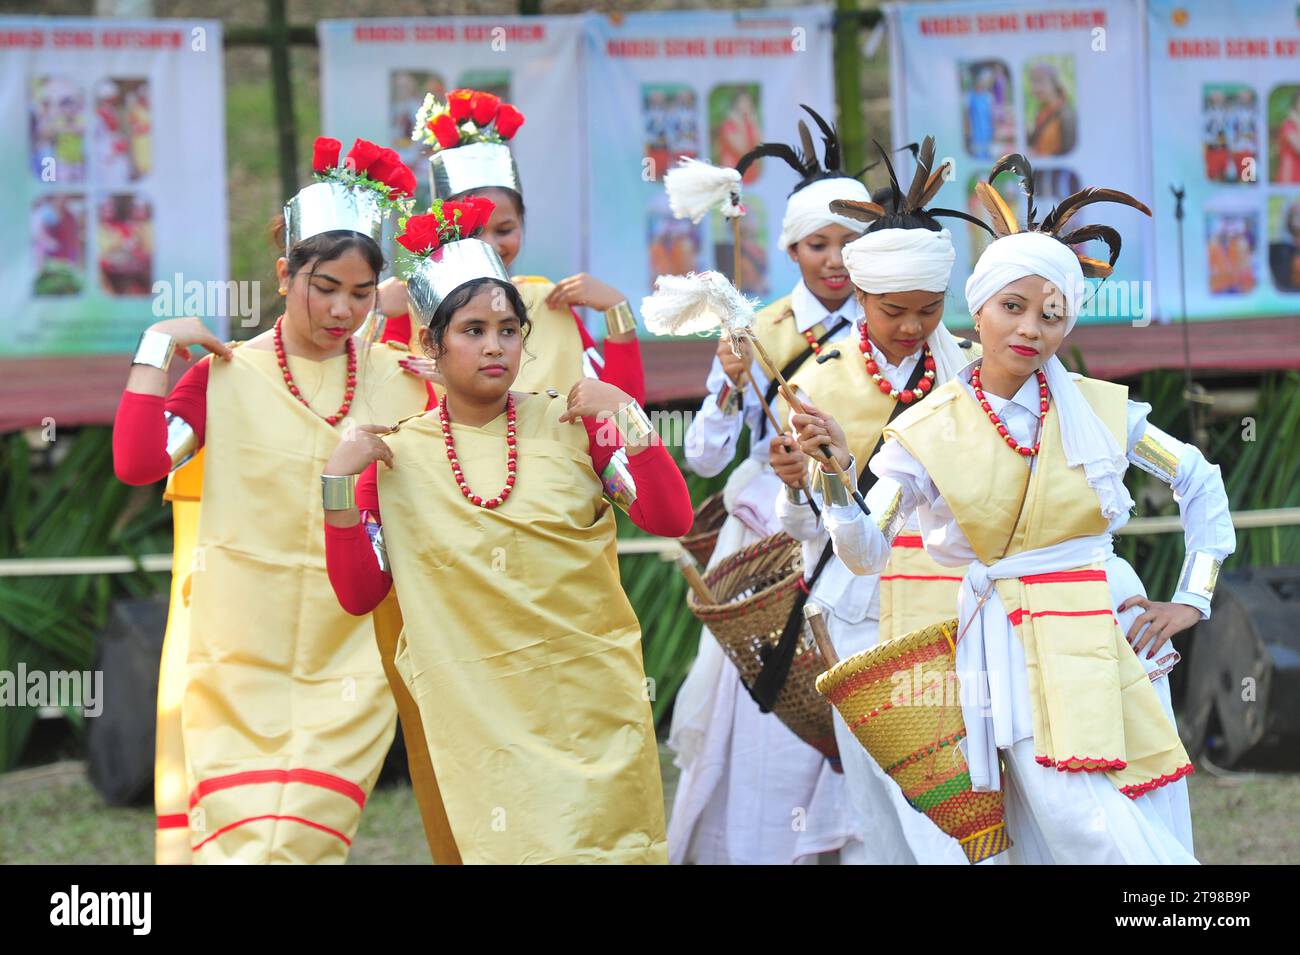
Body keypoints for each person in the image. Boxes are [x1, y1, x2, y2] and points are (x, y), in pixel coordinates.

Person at [794, 162, 1234, 863]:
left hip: (1109, 625)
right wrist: (834, 476)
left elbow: (1199, 479)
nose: (1031, 328)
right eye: (1013, 306)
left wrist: (1193, 598)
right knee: (1058, 822)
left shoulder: (1098, 408)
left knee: (1136, 799)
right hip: (1006, 641)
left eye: (1052, 312)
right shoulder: (928, 429)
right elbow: (863, 551)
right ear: (980, 306)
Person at [320, 206, 693, 863]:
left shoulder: (578, 424)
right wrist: (336, 490)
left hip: (591, 707)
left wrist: (630, 419)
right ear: (432, 348)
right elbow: (359, 593)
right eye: (472, 330)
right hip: (483, 723)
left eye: (508, 330)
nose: (494, 346)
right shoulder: (398, 458)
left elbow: (670, 518)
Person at [113, 138, 427, 863]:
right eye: (324, 286)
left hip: (350, 654)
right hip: (237, 654)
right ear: (285, 274)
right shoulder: (227, 375)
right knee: (243, 845)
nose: (343, 308)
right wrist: (158, 346)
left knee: (296, 844)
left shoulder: (404, 379)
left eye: (359, 292)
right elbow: (136, 462)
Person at [668, 107, 875, 865]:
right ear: (790, 246)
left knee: (849, 701)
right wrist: (726, 386)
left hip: (855, 530)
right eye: (818, 243)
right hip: (771, 544)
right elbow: (703, 458)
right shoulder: (752, 327)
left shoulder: (889, 325)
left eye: (849, 245)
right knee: (769, 714)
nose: (834, 259)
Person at [772, 139, 985, 864]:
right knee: (879, 798)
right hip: (854, 611)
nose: (913, 326)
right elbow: (801, 529)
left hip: (949, 607)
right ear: (859, 298)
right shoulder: (815, 384)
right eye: (894, 310)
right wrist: (802, 478)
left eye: (929, 310)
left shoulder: (969, 377)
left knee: (947, 791)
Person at [380, 90, 644, 403]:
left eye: (505, 229)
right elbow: (386, 413)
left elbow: (621, 420)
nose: (491, 245)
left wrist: (618, 314)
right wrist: (383, 318)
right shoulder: (410, 311)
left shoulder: (548, 304)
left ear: (523, 225)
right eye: (474, 231)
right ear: (444, 229)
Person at [1026, 62, 1076, 157]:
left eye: (1040, 81)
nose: (1034, 87)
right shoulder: (1043, 110)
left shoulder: (1066, 115)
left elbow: (1069, 155)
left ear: (1054, 83)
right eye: (1032, 82)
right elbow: (1036, 141)